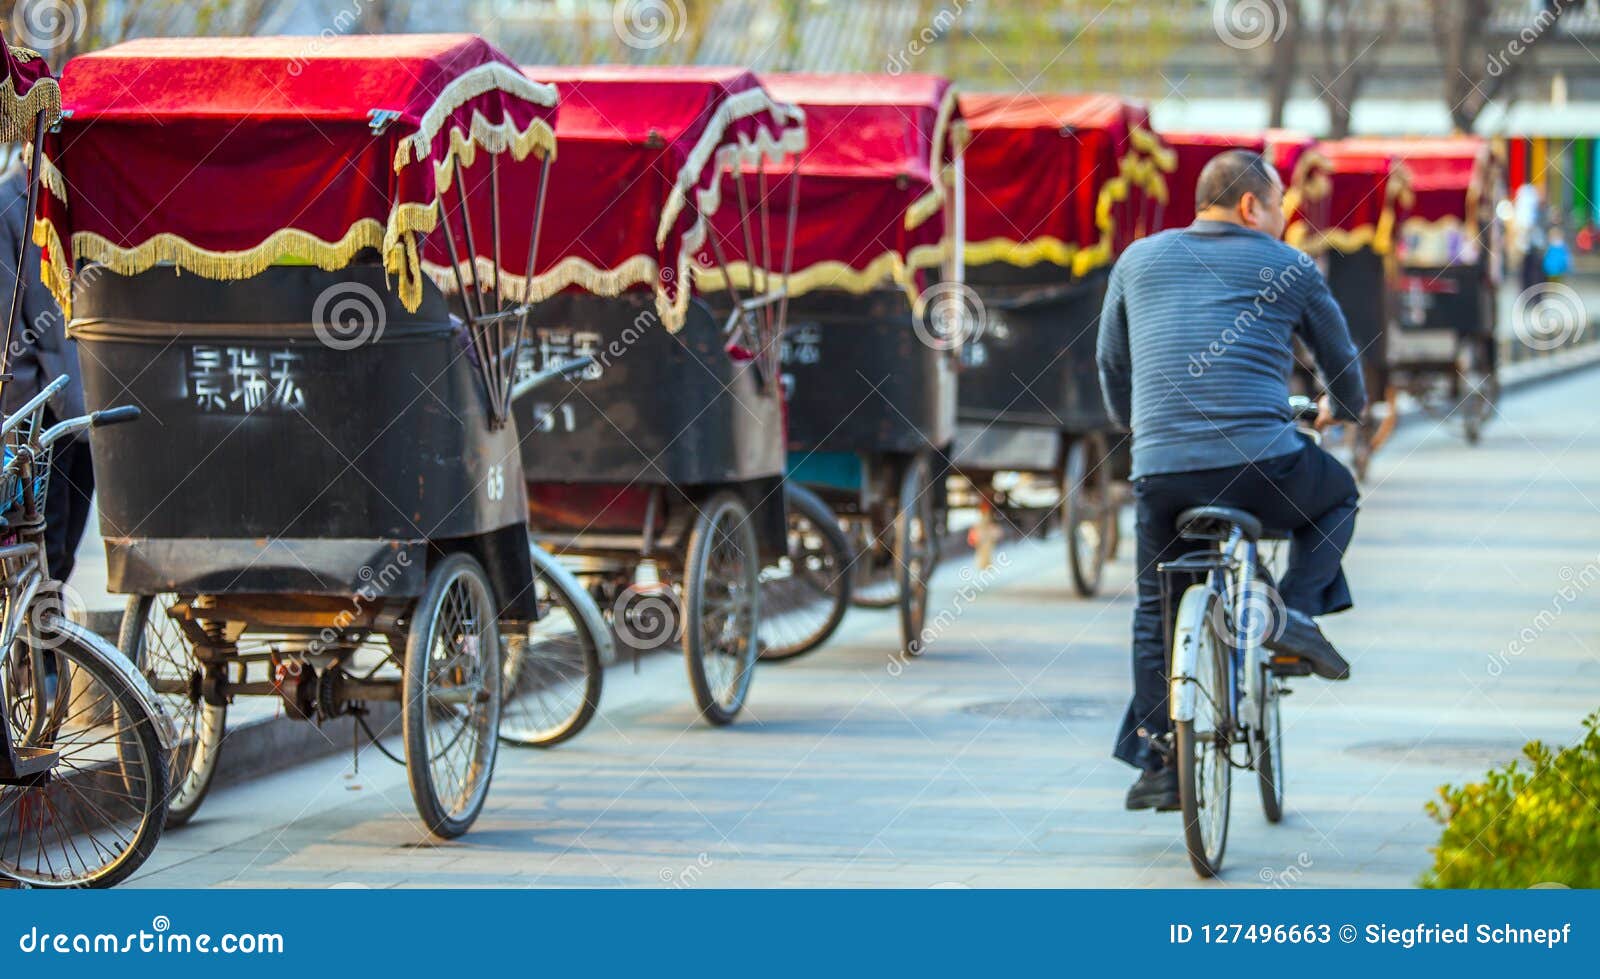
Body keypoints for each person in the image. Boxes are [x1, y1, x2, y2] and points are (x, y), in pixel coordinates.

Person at [1096, 150, 1367, 812]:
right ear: (1252, 207)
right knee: (1337, 494)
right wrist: (1340, 408)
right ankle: (1291, 616)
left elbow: (1110, 365)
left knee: (1155, 608)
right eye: (1280, 208)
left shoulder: (1136, 260)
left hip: (1160, 474)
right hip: (1263, 467)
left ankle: (1160, 762)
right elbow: (1346, 374)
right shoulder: (1290, 267)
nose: (1283, 221)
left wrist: (1145, 431)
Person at [0, 155, 93, 583]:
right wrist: (31, 410)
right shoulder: (9, 202)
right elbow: (6, 327)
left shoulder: (79, 198)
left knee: (66, 547)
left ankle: (46, 641)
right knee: (43, 549)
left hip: (85, 405)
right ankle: (43, 646)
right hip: (39, 415)